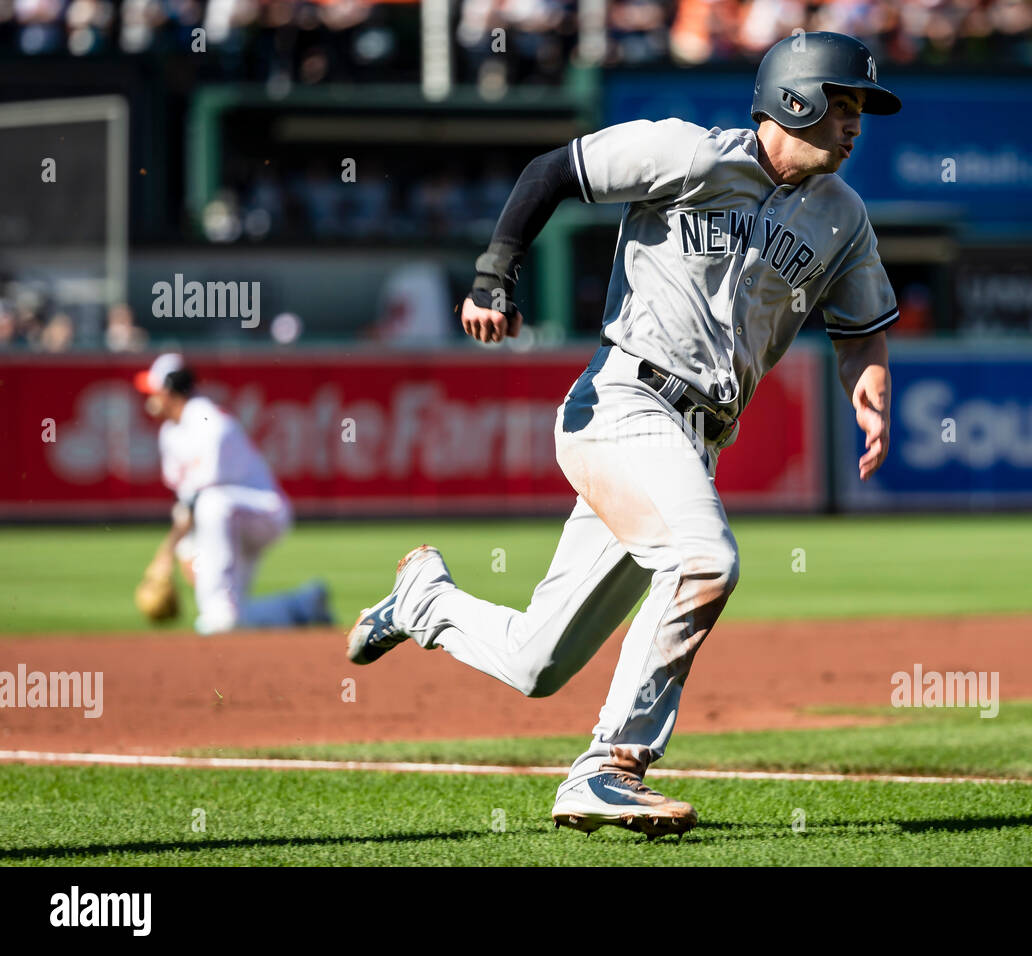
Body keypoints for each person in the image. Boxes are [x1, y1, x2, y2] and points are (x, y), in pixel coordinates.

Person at [347, 31, 900, 836]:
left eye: (860, 110)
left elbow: (861, 330)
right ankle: (611, 767)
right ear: (795, 98)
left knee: (538, 662)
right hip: (623, 404)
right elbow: (553, 172)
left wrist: (871, 389)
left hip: (693, 442)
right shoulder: (690, 154)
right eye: (843, 104)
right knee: (704, 561)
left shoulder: (843, 219)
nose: (855, 125)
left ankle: (424, 601)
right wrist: (493, 275)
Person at [135, 353, 333, 635]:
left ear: (169, 392)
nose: (149, 399)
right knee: (236, 614)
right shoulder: (170, 433)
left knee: (213, 505)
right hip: (225, 521)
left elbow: (198, 498)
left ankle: (219, 617)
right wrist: (185, 551)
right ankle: (304, 604)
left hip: (262, 512)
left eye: (153, 391)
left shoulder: (211, 423)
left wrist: (167, 553)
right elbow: (185, 501)